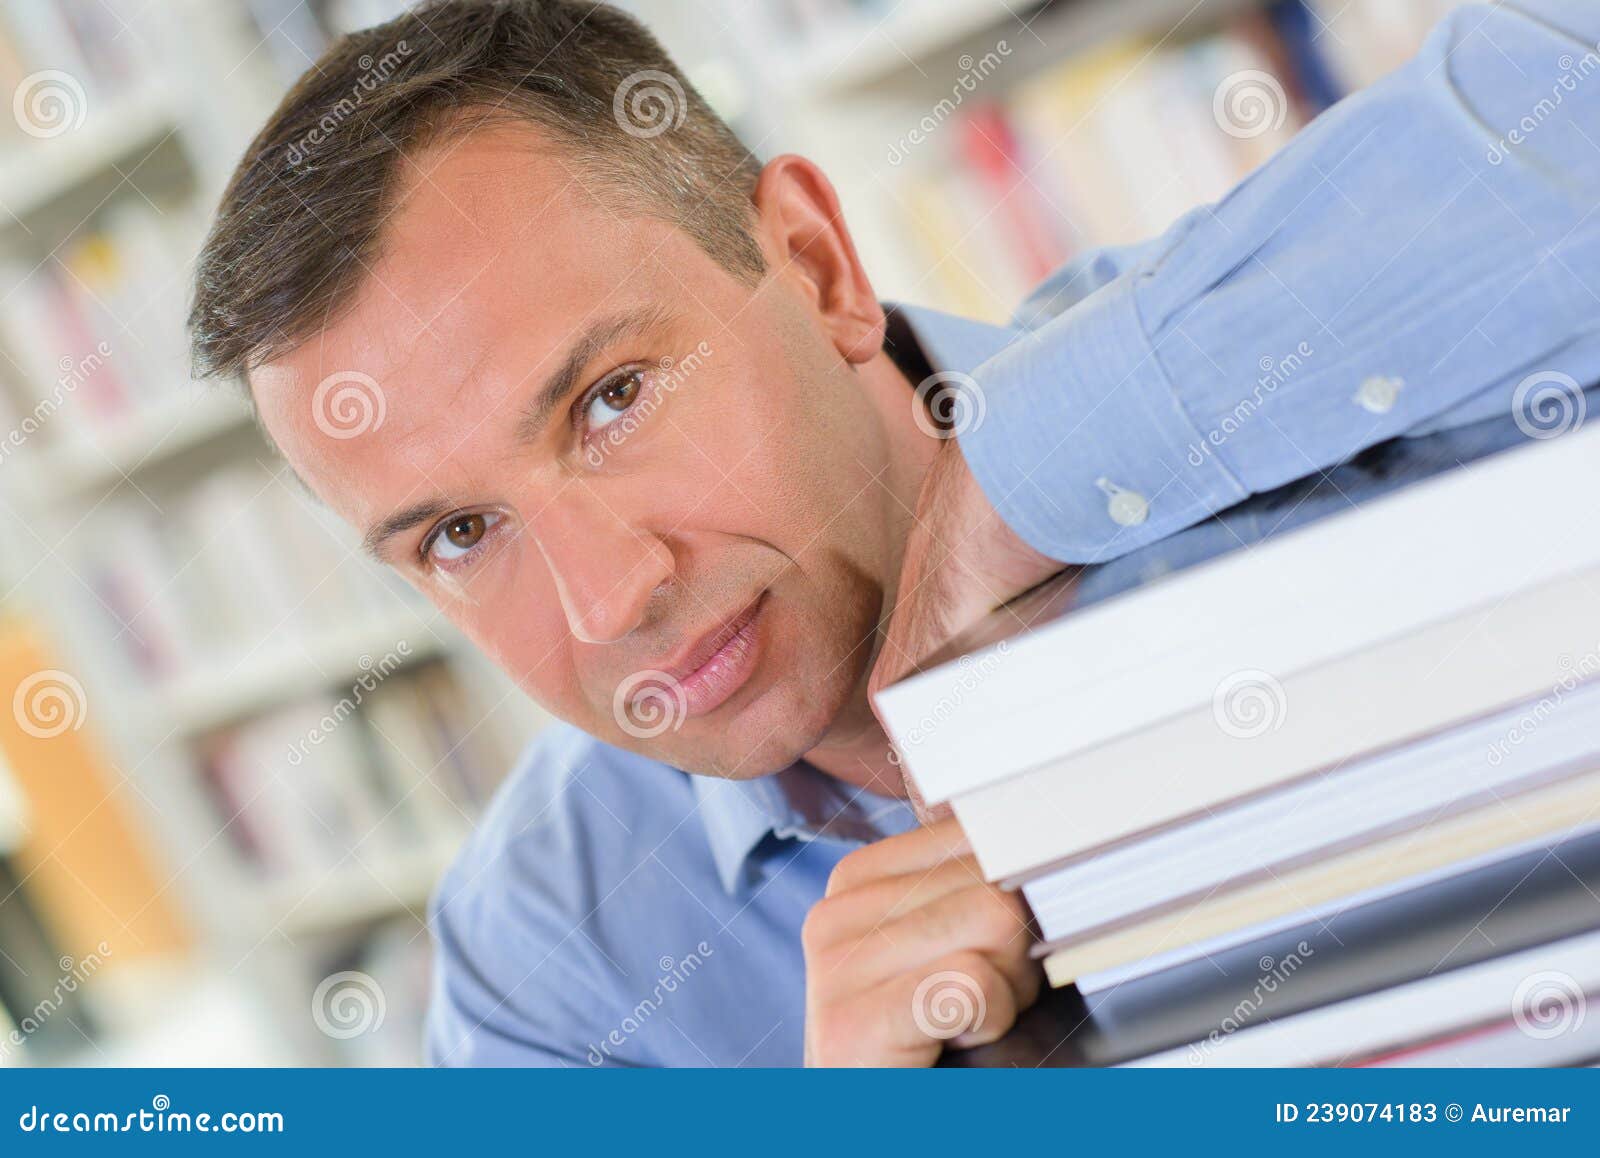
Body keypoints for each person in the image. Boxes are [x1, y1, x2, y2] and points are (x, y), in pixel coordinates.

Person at [187, 0, 1600, 1065]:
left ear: (815, 263)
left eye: (612, 398)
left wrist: (1030, 473)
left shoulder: (1364, 387)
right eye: (455, 534)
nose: (609, 599)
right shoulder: (552, 961)